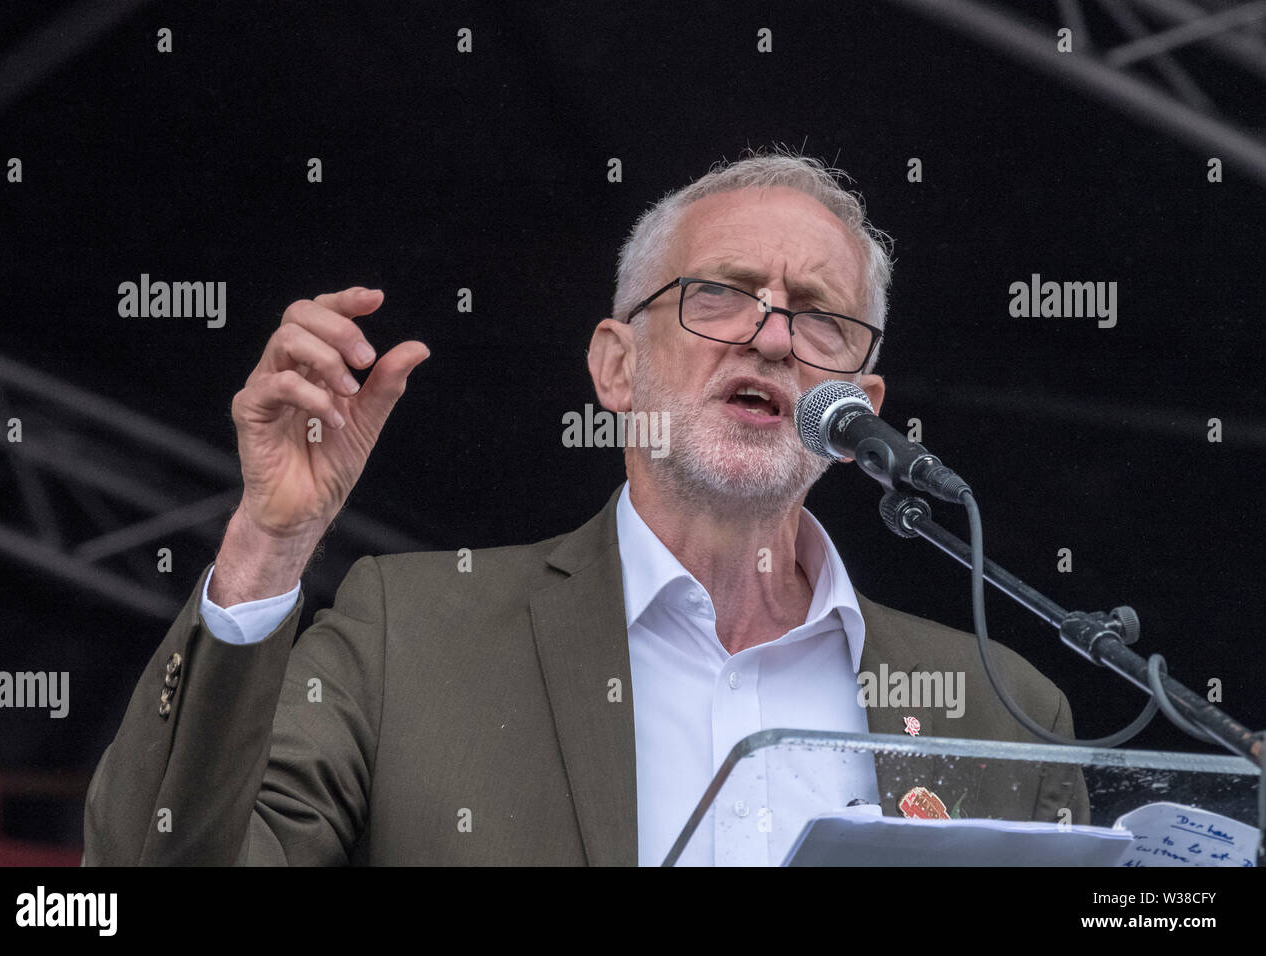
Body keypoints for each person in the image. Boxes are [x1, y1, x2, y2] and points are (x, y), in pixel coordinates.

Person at [83, 150, 1087, 867]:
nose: (773, 339)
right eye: (720, 294)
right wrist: (267, 547)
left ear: (859, 409)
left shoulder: (1006, 709)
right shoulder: (410, 632)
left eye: (819, 315)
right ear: (616, 366)